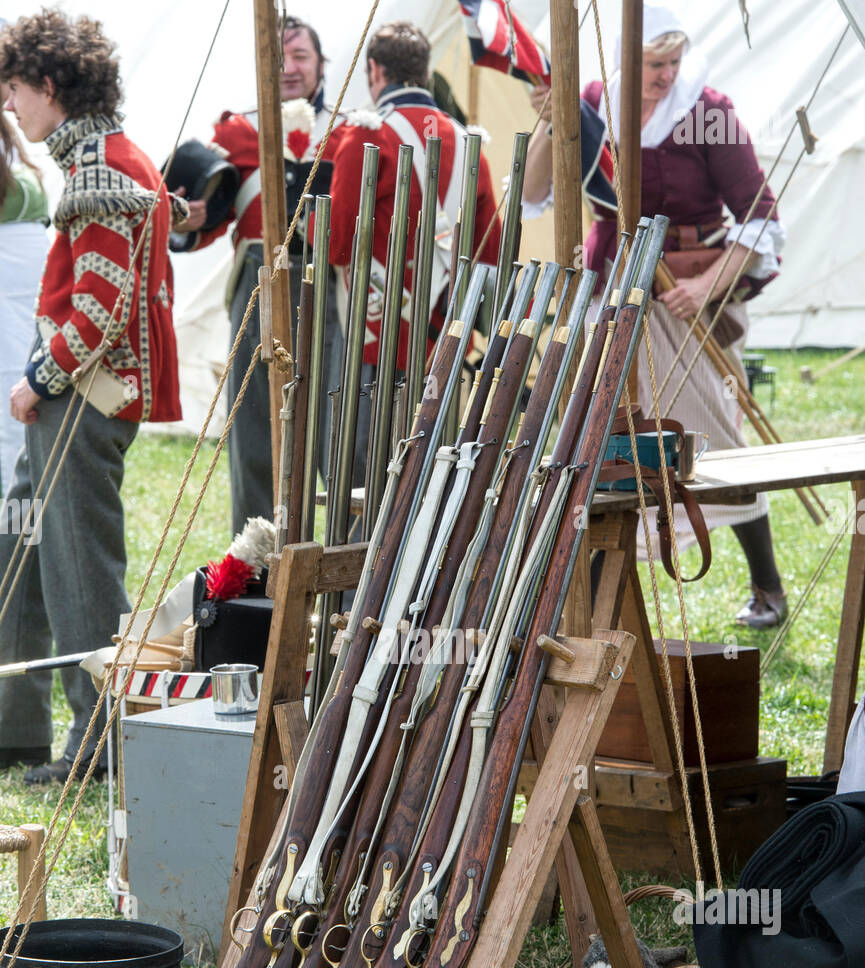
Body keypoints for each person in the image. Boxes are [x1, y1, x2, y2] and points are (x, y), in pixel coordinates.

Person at [522, 4, 788, 629]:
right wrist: (547, 123)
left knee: (714, 435)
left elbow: (758, 218)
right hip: (612, 293)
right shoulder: (591, 102)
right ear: (623, 59)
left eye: (672, 61)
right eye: (652, 64)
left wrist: (703, 284)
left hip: (683, 302)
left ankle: (767, 584)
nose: (666, 75)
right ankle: (588, 594)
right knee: (601, 436)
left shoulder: (708, 112)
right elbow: (537, 192)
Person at [0, 9, 182, 782]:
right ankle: (19, 729)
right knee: (23, 543)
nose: (10, 108)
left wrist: (36, 381)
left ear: (47, 84)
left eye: (13, 91)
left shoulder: (105, 165)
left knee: (80, 573)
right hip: (69, 399)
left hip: (85, 398)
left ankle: (100, 738)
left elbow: (101, 312)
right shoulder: (92, 159)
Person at [172, 16, 342, 536]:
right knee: (254, 433)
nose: (289, 69)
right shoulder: (236, 132)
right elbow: (200, 216)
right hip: (258, 286)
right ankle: (258, 574)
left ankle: (335, 568)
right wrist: (189, 215)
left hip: (332, 289)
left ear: (319, 65)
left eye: (300, 57)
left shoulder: (347, 130)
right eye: (278, 58)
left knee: (336, 432)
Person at [324, 21, 503, 496]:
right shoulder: (471, 145)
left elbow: (338, 244)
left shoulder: (366, 135)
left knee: (360, 477)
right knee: (428, 476)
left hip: (375, 332)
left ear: (374, 71)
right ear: (424, 72)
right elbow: (493, 254)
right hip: (443, 337)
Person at [0, 65, 50, 496]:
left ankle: (18, 549)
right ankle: (15, 543)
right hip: (6, 301)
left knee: (16, 420)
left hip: (24, 299)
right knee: (9, 425)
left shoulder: (10, 130)